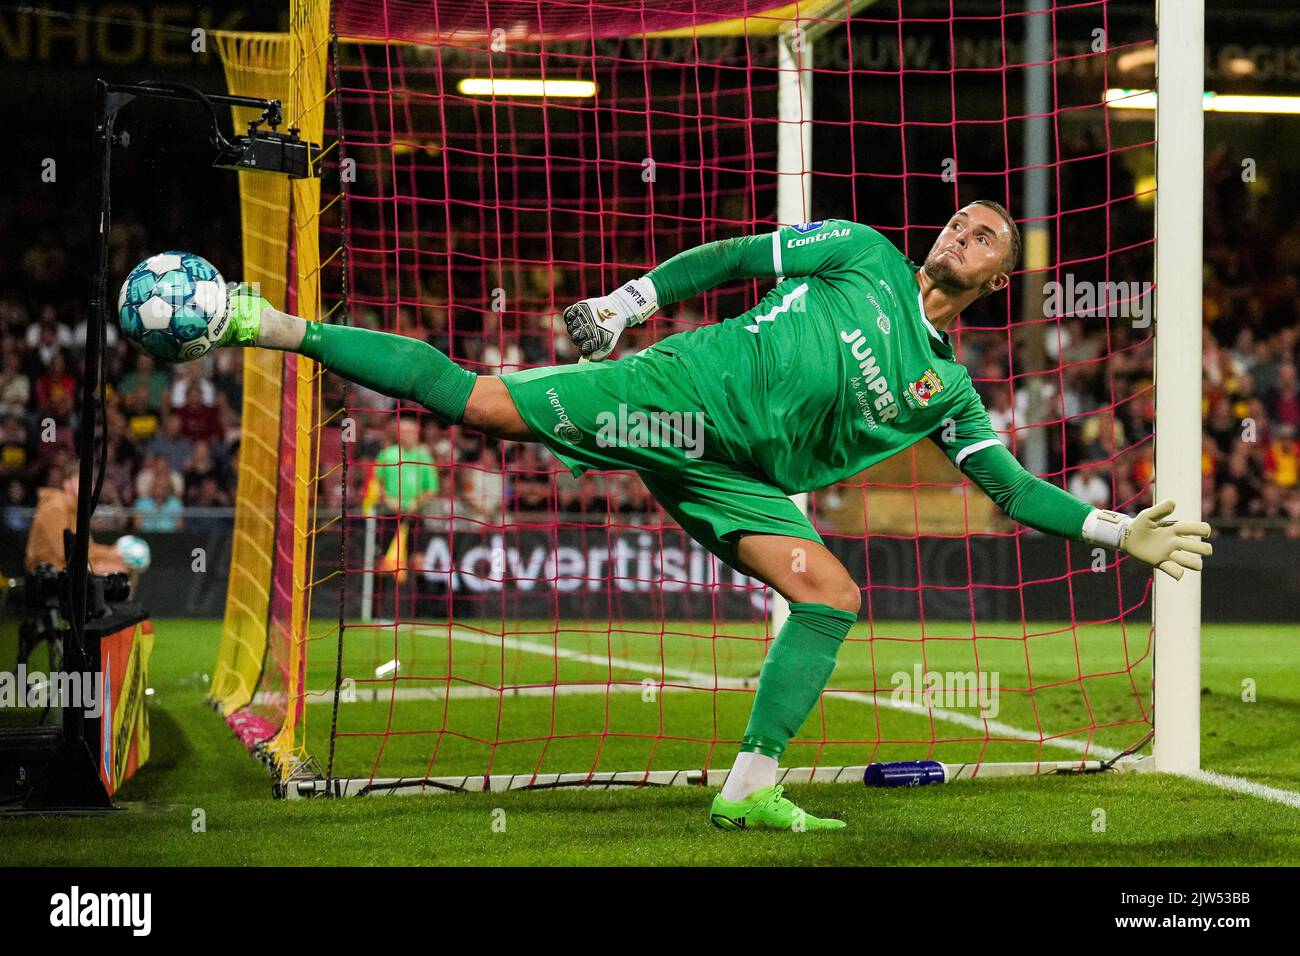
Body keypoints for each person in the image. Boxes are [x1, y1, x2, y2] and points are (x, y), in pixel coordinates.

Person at [215, 202, 1214, 831]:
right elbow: (741, 254)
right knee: (482, 404)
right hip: (678, 393)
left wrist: (1114, 528)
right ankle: (271, 323)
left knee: (827, 592)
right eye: (959, 218)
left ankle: (747, 783)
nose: (962, 229)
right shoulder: (861, 252)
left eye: (986, 233)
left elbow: (1005, 487)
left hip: (740, 475)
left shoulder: (946, 388)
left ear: (996, 281)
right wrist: (627, 301)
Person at [25, 461, 128, 574]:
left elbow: (85, 547)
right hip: (49, 572)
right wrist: (109, 554)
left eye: (91, 481)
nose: (90, 487)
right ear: (67, 483)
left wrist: (112, 553)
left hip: (67, 567)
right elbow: (64, 551)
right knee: (118, 571)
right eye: (81, 480)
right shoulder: (55, 507)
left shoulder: (75, 510)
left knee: (122, 568)